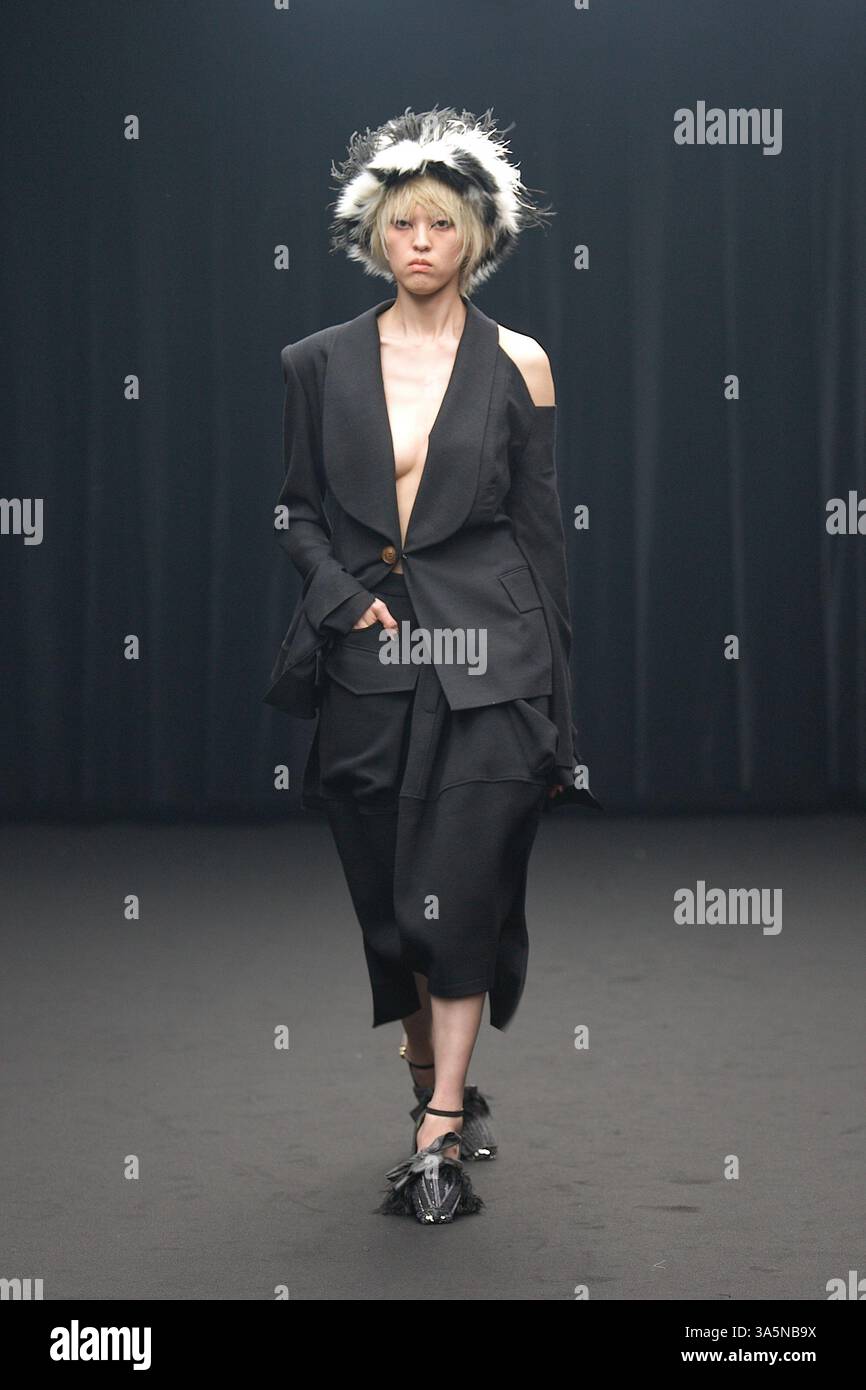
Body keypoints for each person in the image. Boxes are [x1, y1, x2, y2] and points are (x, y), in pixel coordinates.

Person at [264, 105, 601, 1224]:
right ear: (376, 235)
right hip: (370, 663)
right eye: (401, 224)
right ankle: (429, 1077)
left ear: (475, 237)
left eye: (440, 225)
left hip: (492, 662)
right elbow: (298, 513)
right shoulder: (316, 365)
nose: (419, 242)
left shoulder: (519, 364)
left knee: (456, 899)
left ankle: (439, 1132)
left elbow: (541, 543)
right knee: (393, 915)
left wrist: (561, 718)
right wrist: (345, 601)